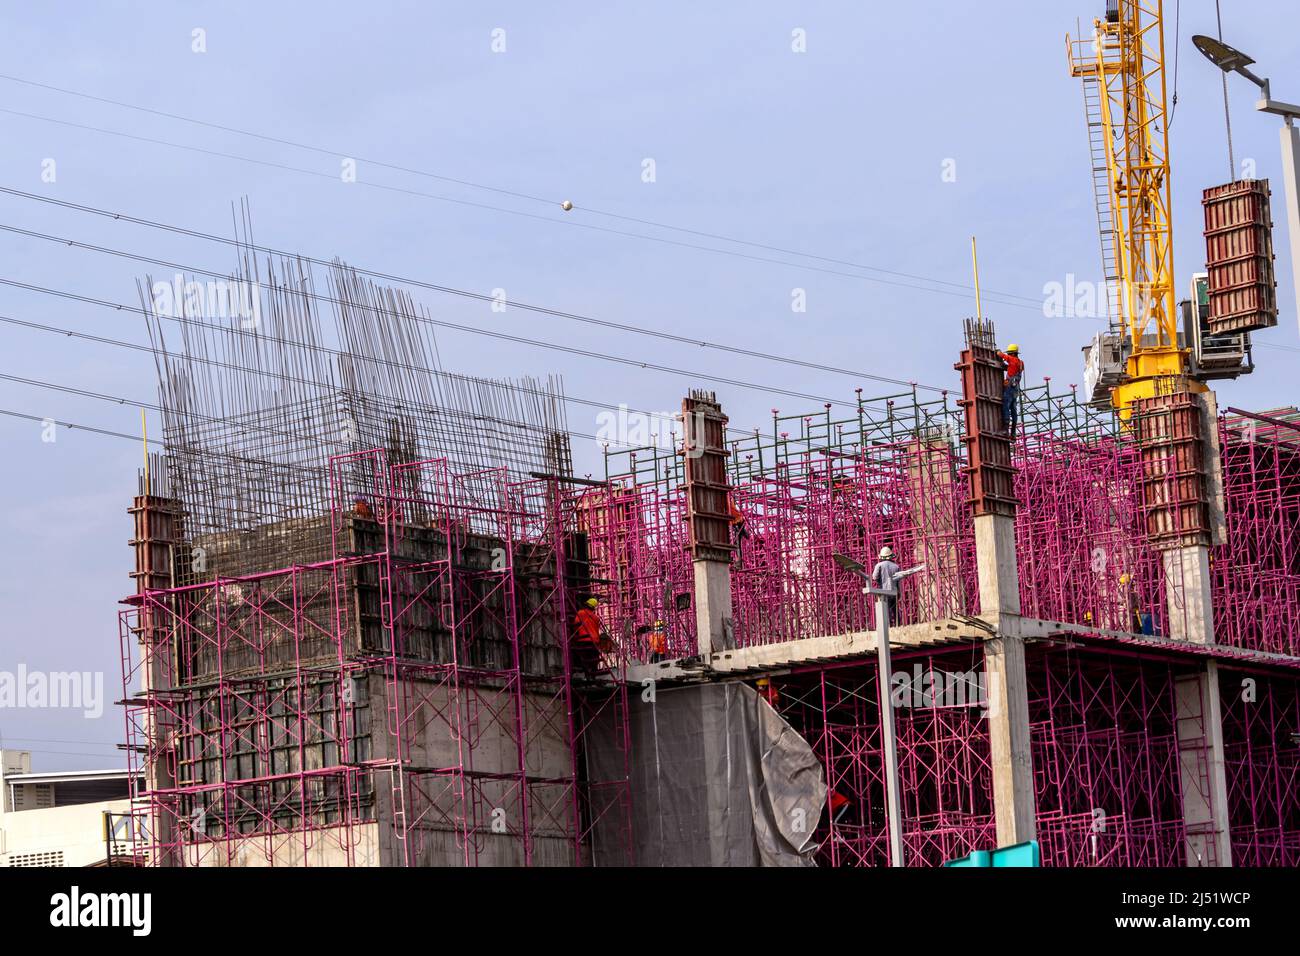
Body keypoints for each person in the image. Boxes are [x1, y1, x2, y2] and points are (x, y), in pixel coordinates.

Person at [572, 597, 604, 678]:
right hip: (595, 641)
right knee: (594, 661)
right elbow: (597, 630)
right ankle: (593, 677)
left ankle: (587, 676)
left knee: (584, 660)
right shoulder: (596, 618)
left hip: (584, 640)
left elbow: (576, 625)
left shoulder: (580, 613)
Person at [997, 344, 1024, 438]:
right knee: (1013, 409)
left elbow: (1001, 355)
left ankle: (1005, 430)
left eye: (1009, 353)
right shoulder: (1020, 363)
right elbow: (1011, 368)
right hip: (1016, 388)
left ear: (1012, 353)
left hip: (1009, 387)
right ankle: (1013, 432)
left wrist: (998, 352)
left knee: (1006, 406)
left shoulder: (1012, 359)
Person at [871, 546, 902, 625]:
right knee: (895, 609)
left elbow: (874, 577)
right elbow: (899, 580)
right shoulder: (896, 566)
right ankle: (898, 624)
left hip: (884, 591)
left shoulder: (879, 565)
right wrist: (899, 592)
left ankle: (888, 625)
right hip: (894, 591)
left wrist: (879, 581)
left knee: (886, 609)